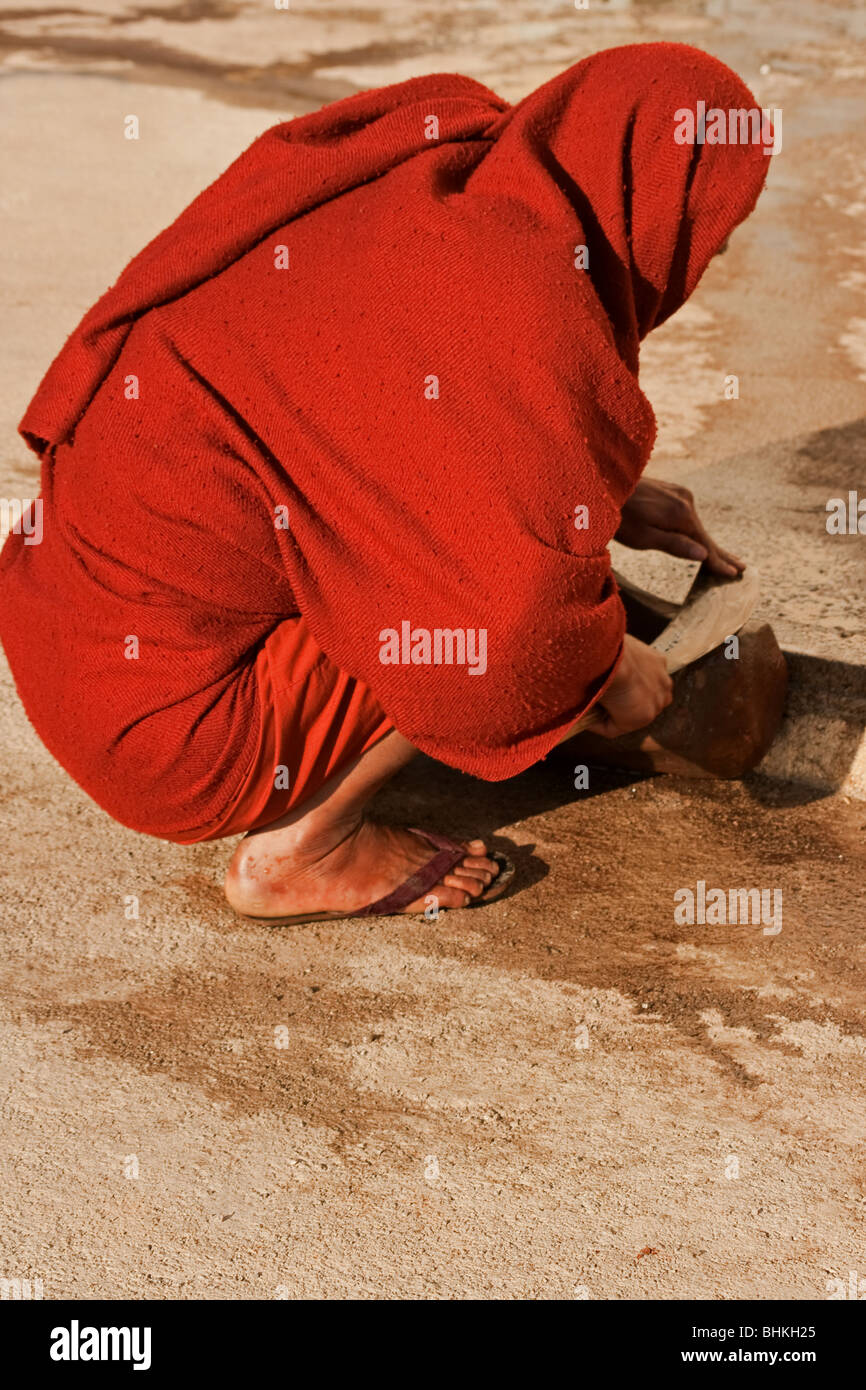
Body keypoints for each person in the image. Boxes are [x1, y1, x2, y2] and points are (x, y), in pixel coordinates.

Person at [0, 43, 769, 923]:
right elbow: (502, 637)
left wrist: (597, 491)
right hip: (169, 737)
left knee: (499, 538)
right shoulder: (528, 306)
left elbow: (352, 386)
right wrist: (597, 669)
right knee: (498, 613)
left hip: (55, 617)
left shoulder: (431, 159)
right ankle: (305, 850)